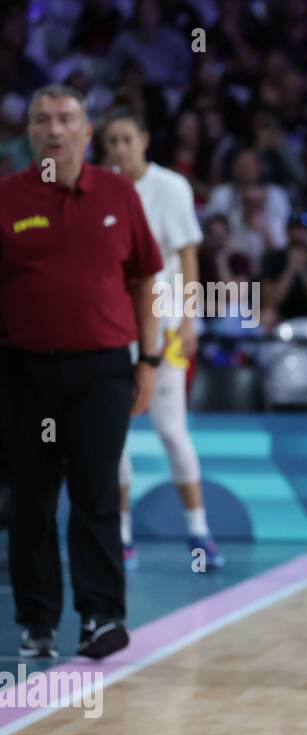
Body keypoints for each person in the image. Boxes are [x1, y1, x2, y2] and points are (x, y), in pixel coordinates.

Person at [0, 86, 163, 660]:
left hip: (103, 372)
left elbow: (145, 280)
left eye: (66, 118)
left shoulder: (118, 193)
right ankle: (37, 621)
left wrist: (150, 360)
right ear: (29, 132)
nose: (54, 129)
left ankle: (101, 616)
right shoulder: (7, 196)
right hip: (23, 374)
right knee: (31, 499)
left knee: (97, 494)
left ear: (86, 131)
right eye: (42, 119)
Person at [101, 110, 225, 570]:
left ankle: (199, 533)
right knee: (114, 437)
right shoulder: (102, 190)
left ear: (145, 140)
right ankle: (123, 539)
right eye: (110, 141)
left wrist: (190, 319)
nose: (118, 149)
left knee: (172, 430)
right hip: (114, 330)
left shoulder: (171, 187)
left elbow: (189, 257)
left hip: (166, 327)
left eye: (126, 139)